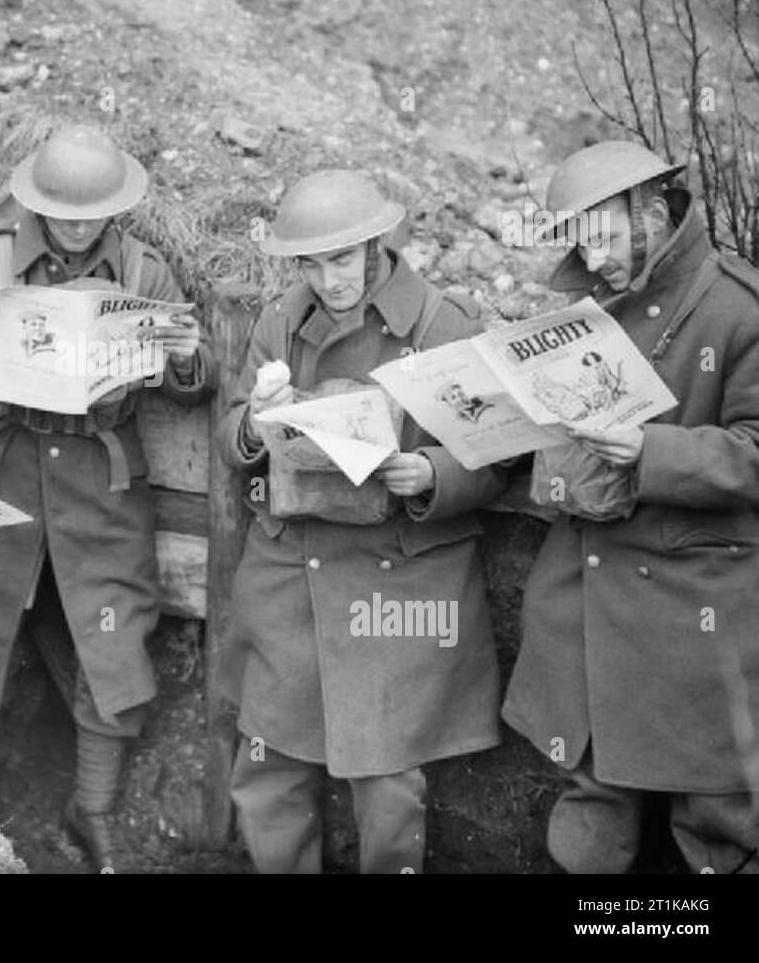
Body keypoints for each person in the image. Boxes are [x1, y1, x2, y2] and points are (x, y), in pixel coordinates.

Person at [0, 124, 217, 870]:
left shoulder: (145, 270)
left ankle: (95, 807)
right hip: (3, 463)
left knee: (114, 641)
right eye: (62, 213)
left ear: (116, 209)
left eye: (92, 214)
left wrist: (184, 354)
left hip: (99, 475)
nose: (77, 228)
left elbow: (200, 377)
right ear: (36, 205)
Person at [217, 169, 508, 873]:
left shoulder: (443, 323)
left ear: (377, 244)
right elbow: (231, 437)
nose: (328, 278)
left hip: (396, 580)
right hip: (292, 571)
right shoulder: (282, 319)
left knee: (386, 776)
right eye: (311, 263)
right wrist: (254, 426)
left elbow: (498, 454)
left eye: (341, 259)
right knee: (271, 762)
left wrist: (433, 475)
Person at [503, 140, 759, 874]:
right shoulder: (589, 311)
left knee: (717, 812)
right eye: (580, 242)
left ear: (654, 214)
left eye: (606, 237)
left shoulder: (738, 310)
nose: (596, 258)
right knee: (588, 803)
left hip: (695, 603)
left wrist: (652, 453)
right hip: (586, 588)